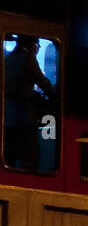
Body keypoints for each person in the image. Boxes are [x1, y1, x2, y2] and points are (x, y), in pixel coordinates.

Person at [4, 35, 55, 169]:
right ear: (32, 44)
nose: (38, 49)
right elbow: (42, 82)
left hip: (7, 117)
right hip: (23, 117)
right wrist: (54, 94)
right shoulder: (28, 58)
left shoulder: (9, 58)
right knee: (31, 157)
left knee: (9, 157)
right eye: (38, 45)